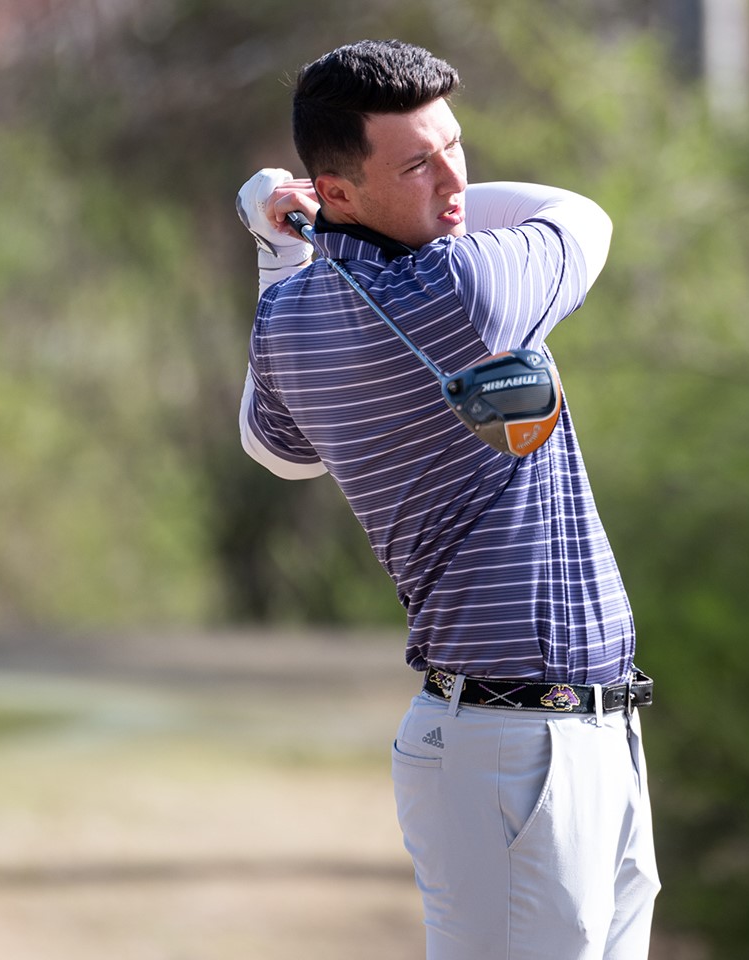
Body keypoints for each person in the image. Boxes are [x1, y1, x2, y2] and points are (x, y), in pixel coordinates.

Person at [235, 39, 659, 960]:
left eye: (455, 146)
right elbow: (581, 218)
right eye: (417, 165)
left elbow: (274, 449)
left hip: (576, 734)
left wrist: (283, 246)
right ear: (338, 190)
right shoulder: (464, 285)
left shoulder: (289, 316)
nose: (455, 181)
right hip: (513, 752)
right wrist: (313, 229)